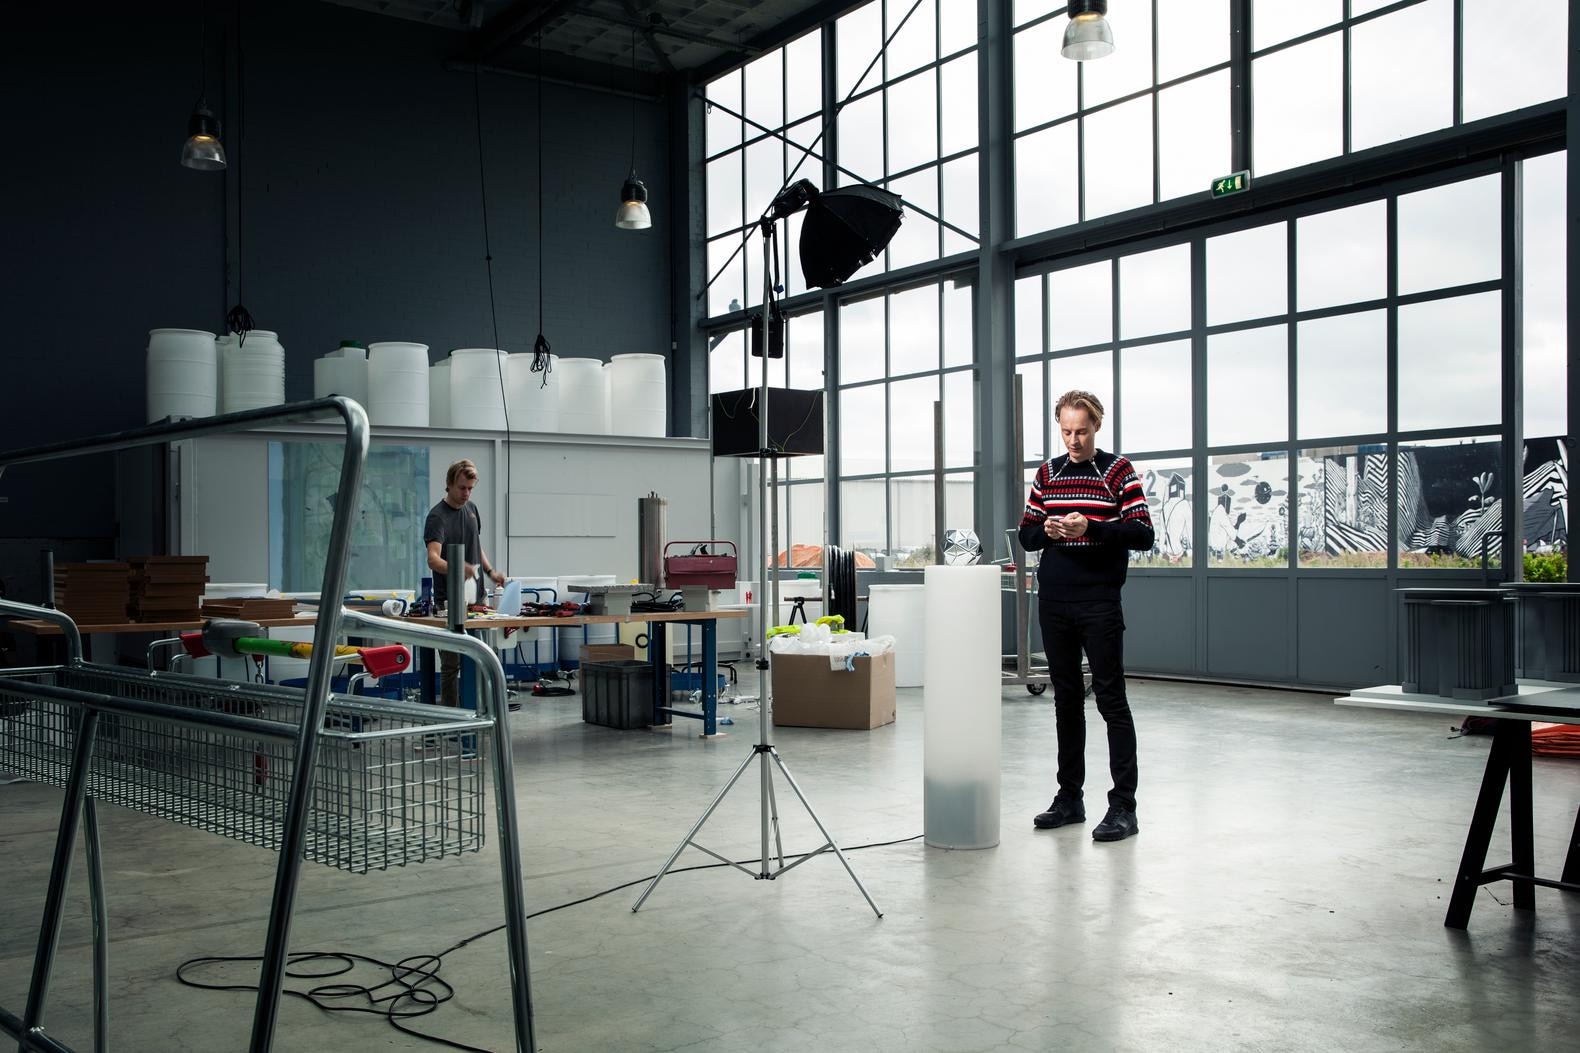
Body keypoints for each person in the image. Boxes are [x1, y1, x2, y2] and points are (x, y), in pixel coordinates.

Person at [1019, 390, 1154, 842]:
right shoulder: (1048, 472)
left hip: (1099, 601)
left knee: (1111, 700)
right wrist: (1048, 529)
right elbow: (1027, 535)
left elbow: (1142, 533)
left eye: (1081, 431)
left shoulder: (1118, 471)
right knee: (1065, 700)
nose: (1073, 440)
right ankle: (1069, 798)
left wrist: (1090, 527)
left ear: (1096, 426)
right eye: (1066, 431)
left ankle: (1123, 807)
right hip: (1054, 599)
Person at [424, 458, 506, 706]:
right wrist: (459, 568)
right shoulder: (437, 517)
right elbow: (433, 559)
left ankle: (480, 712)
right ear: (448, 484)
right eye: (462, 488)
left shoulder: (471, 510)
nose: (467, 493)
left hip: (476, 600)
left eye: (471, 488)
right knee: (452, 665)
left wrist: (490, 572)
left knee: (482, 658)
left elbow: (476, 545)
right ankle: (453, 719)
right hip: (449, 602)